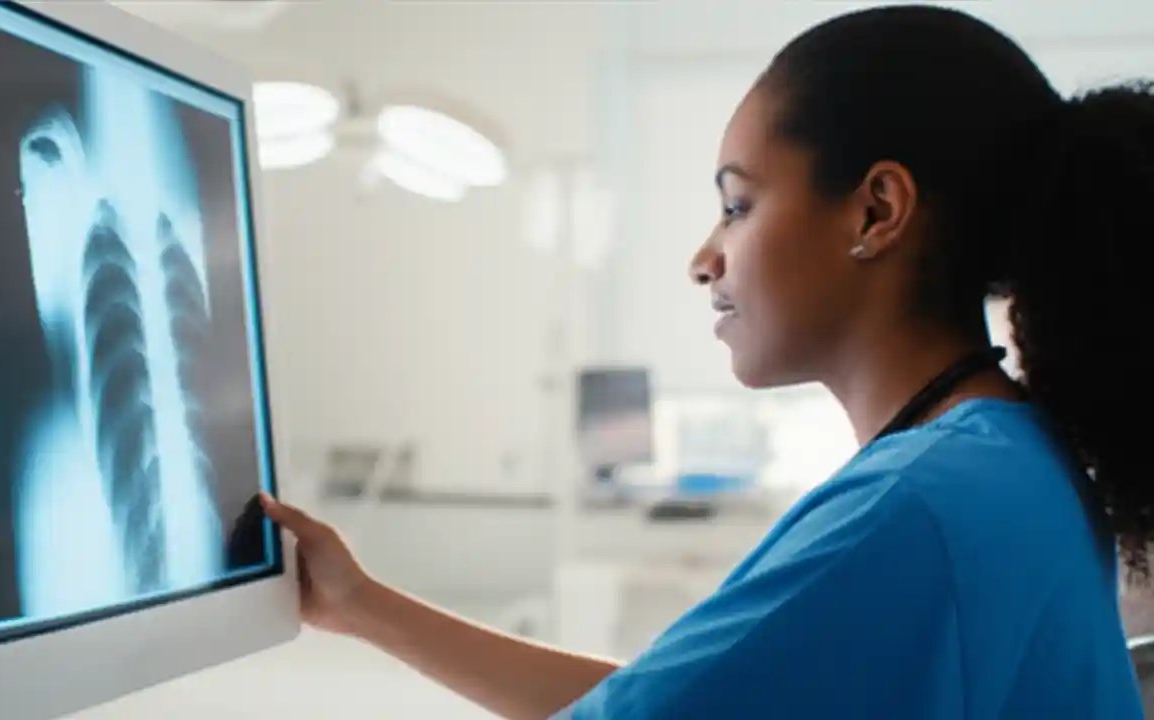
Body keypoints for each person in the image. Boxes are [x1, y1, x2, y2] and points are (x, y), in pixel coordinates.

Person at [261, 5, 1151, 718]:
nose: (703, 259)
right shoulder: (1004, 458)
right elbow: (660, 703)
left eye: (737, 204)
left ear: (876, 211)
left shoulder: (917, 506)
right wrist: (361, 605)